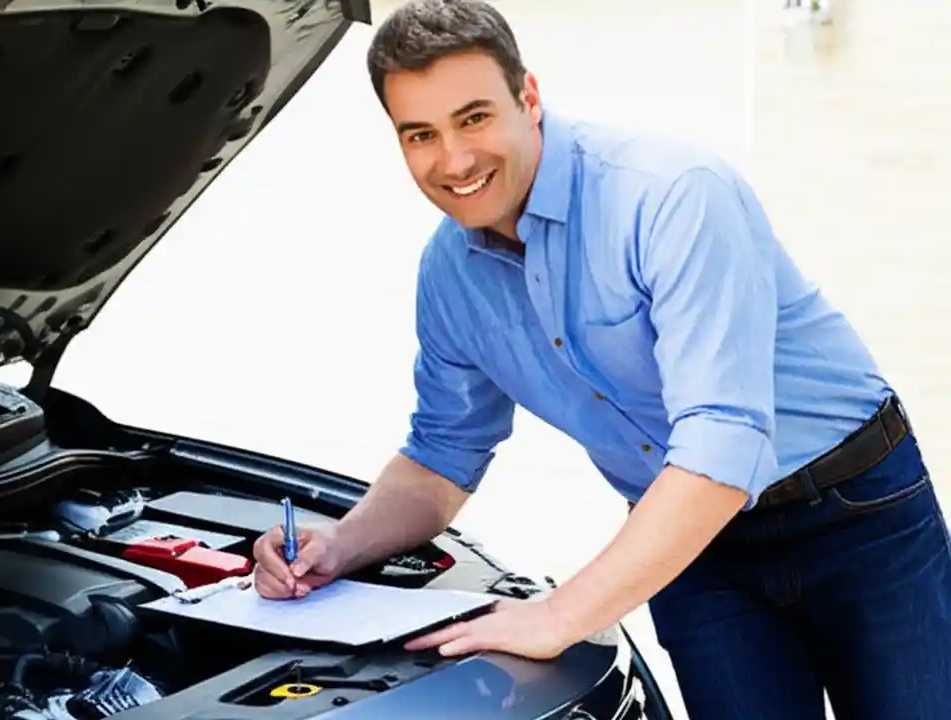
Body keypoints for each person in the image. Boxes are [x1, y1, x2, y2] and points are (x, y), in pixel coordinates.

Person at [249, 0, 951, 717]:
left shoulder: (671, 195)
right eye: (421, 134)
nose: (454, 160)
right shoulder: (449, 274)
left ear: (529, 96)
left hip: (855, 513)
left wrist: (557, 617)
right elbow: (442, 454)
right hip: (690, 551)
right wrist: (337, 546)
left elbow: (723, 444)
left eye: (475, 117)